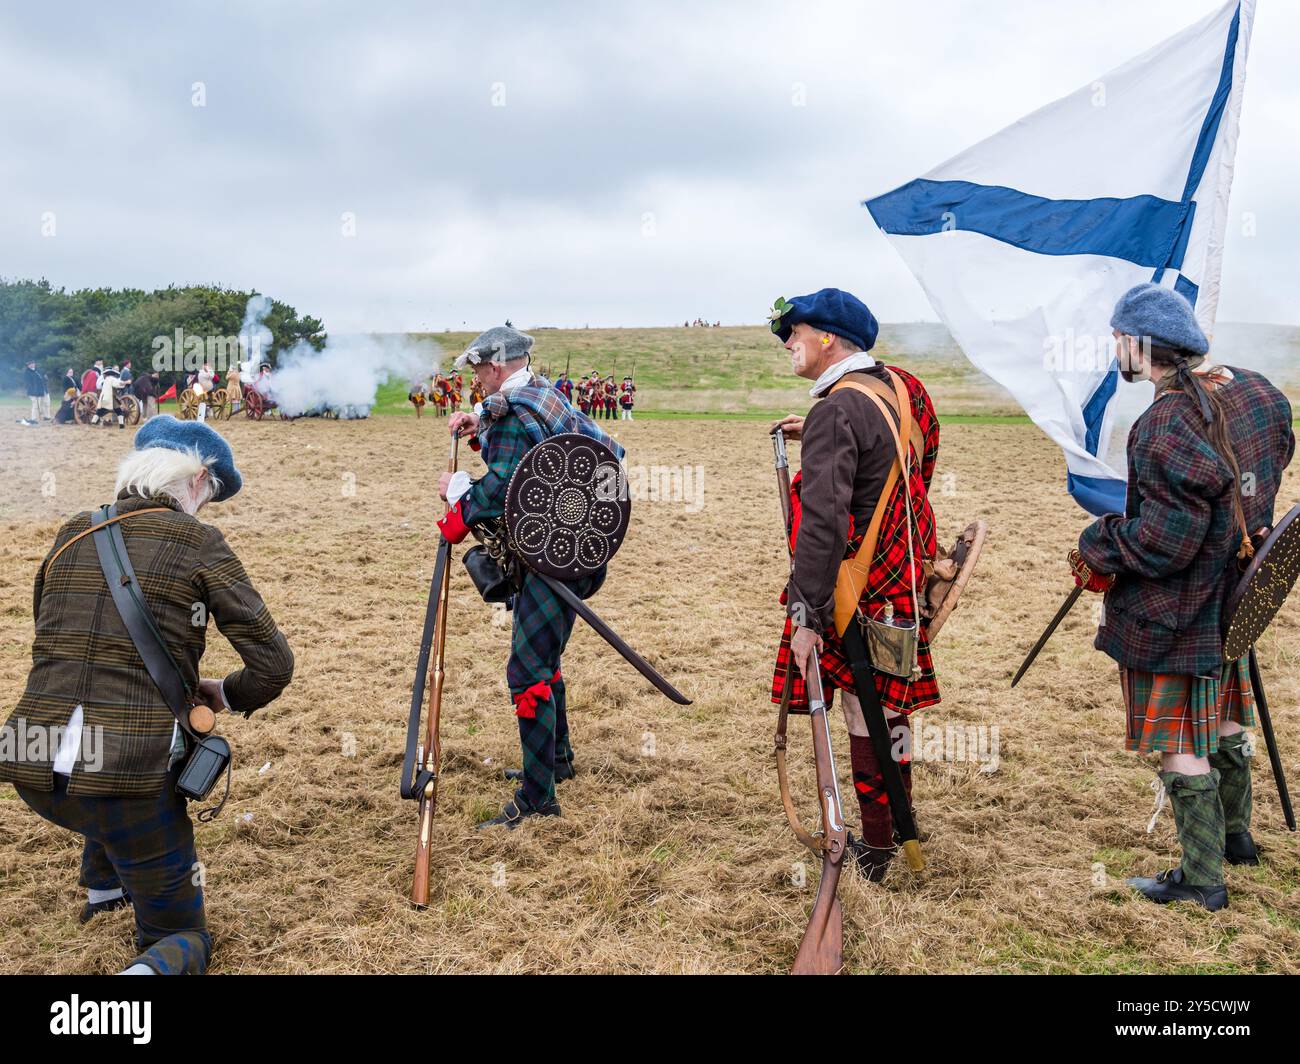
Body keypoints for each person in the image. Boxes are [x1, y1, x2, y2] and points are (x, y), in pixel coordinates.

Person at [0, 417, 295, 973]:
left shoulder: (74, 529)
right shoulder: (197, 539)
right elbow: (273, 665)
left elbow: (53, 637)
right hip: (127, 781)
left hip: (32, 762)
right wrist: (224, 695)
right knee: (183, 932)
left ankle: (103, 893)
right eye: (208, 493)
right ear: (196, 478)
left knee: (101, 791)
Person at [1074, 284, 1294, 911]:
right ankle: (1236, 838)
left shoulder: (1164, 425)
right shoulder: (1254, 388)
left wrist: (1099, 543)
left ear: (1141, 347)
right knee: (1224, 714)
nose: (1113, 346)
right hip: (1238, 596)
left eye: (1119, 336)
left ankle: (1202, 879)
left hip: (1180, 610)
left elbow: (1167, 544)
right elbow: (1270, 464)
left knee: (1178, 739)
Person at [768, 288, 942, 883]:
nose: (789, 343)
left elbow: (822, 524)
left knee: (862, 711)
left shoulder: (837, 411)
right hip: (901, 572)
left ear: (829, 340)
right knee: (889, 708)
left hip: (856, 586)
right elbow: (919, 456)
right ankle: (898, 820)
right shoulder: (899, 386)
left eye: (796, 333)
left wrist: (806, 614)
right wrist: (822, 436)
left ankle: (877, 843)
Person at [436, 326, 624, 828]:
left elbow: (501, 488)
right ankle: (555, 762)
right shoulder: (541, 396)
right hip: (570, 550)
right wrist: (478, 425)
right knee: (544, 657)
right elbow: (529, 466)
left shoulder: (516, 411)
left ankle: (538, 799)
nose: (475, 378)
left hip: (552, 560)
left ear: (496, 366)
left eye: (477, 369)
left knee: (526, 671)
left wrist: (458, 495)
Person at [24, 359, 51, 423]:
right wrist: (33, 391)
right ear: (28, 365)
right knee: (36, 405)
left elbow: (44, 378)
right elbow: (28, 383)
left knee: (47, 403)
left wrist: (46, 378)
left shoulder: (39, 370)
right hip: (34, 392)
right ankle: (34, 418)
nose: (32, 365)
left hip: (44, 390)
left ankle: (47, 416)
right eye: (30, 364)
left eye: (33, 363)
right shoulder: (27, 372)